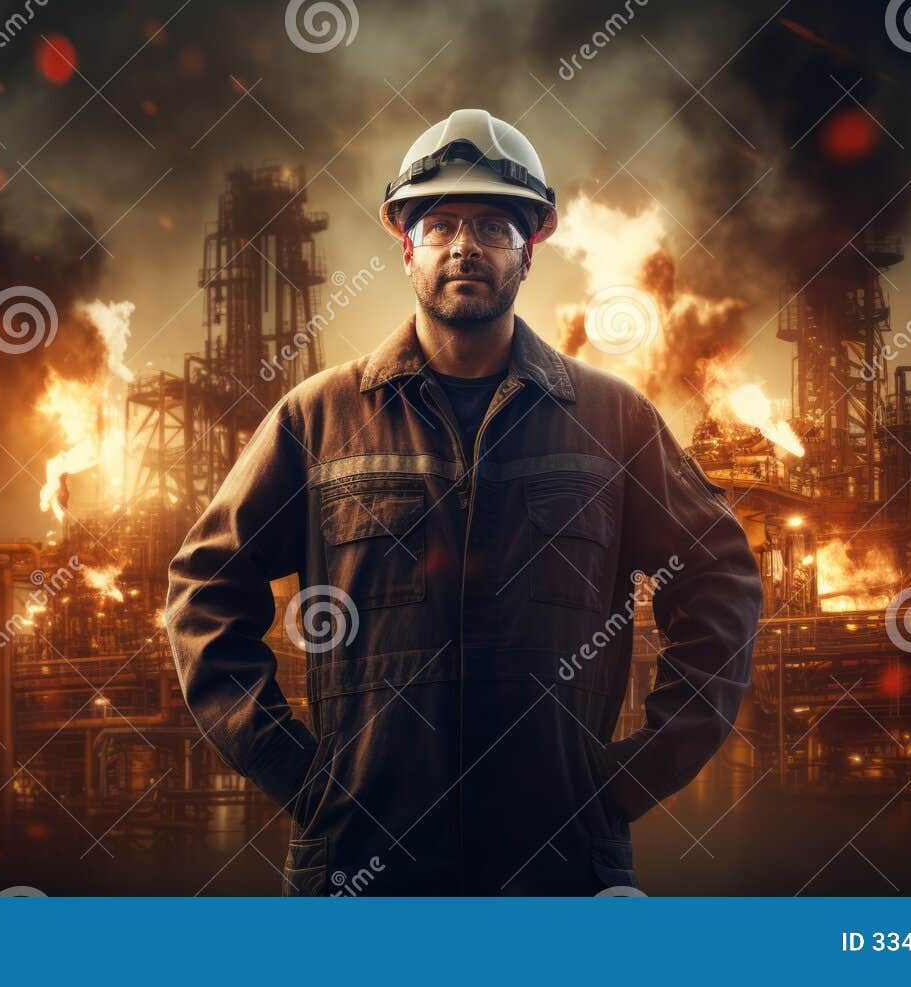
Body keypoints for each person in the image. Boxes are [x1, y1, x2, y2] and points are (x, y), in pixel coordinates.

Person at [166, 108, 761, 895]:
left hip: (559, 865)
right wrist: (303, 777)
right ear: (405, 244)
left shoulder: (612, 420)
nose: (464, 246)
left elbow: (720, 578)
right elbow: (205, 591)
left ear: (530, 248)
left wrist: (630, 779)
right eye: (440, 223)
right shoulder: (318, 419)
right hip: (360, 870)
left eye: (492, 224)